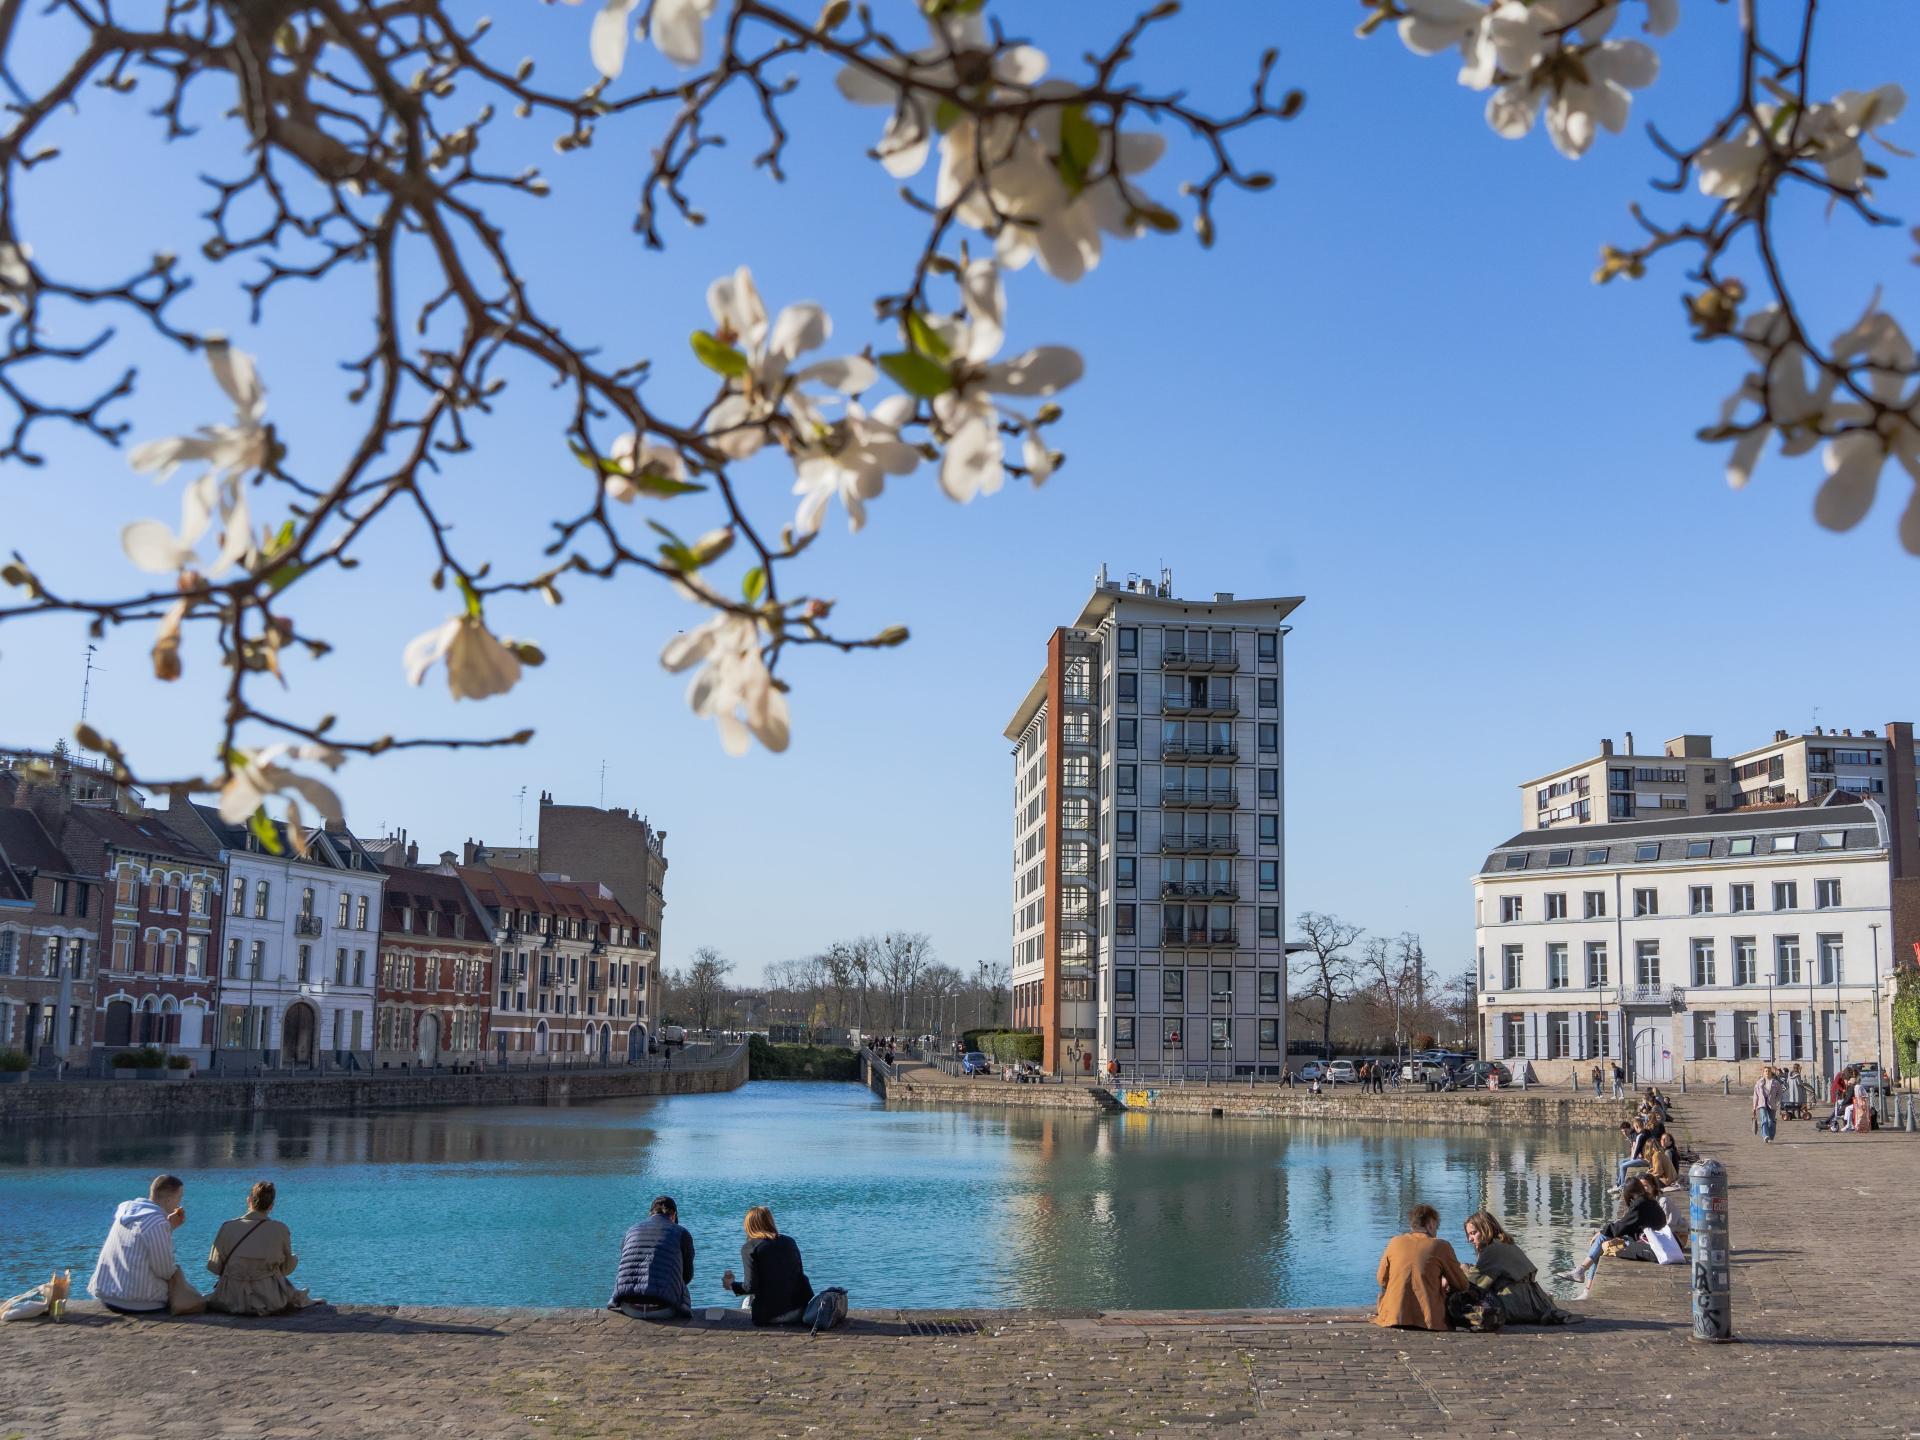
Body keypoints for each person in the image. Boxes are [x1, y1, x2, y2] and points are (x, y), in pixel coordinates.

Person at [206, 1181, 317, 1315]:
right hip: (270, 1300)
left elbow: (214, 1267)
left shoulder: (227, 1227)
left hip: (230, 1299)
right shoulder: (280, 1229)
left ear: (248, 1201)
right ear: (271, 1206)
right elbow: (286, 1270)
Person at [88, 1174, 192, 1315]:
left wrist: (169, 1228)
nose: (180, 1203)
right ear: (169, 1199)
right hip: (139, 1302)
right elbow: (165, 1271)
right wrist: (167, 1228)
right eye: (179, 1197)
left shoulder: (126, 1209)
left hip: (107, 1296)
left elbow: (141, 1241)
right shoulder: (157, 1223)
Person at [1461, 1211, 1579, 1325]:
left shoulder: (1492, 1250)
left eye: (1473, 1233)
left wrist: (1462, 1270)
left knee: (1464, 1311)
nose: (1470, 1239)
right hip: (1535, 1301)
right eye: (1469, 1234)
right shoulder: (1506, 1244)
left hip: (1515, 1304)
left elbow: (1472, 1283)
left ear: (1486, 1229)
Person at [1373, 1203, 1474, 1331]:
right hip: (1430, 1320)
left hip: (1393, 1318)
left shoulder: (1394, 1242)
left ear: (1412, 1225)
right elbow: (1462, 1285)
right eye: (1437, 1227)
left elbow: (1381, 1279)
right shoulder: (1441, 1246)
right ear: (1431, 1224)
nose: (1436, 1232)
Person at [720, 1206, 813, 1326]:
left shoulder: (750, 1248)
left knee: (747, 1301)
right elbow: (798, 1276)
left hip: (771, 1316)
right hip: (800, 1311)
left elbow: (750, 1287)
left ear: (749, 1226)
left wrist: (731, 1285)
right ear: (770, 1222)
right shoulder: (790, 1241)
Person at [609, 1195, 696, 1319]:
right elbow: (687, 1275)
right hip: (664, 1309)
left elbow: (624, 1264)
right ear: (674, 1215)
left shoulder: (631, 1231)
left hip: (629, 1307)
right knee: (679, 1285)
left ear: (650, 1213)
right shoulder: (682, 1233)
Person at [1570, 1177, 1666, 1285]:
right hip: (1655, 1241)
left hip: (1649, 1246)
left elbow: (1620, 1228)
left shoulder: (1640, 1204)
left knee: (1602, 1239)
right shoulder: (1649, 1201)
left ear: (1629, 1192)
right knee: (1603, 1240)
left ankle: (1582, 1272)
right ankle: (1583, 1276)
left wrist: (1601, 1232)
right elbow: (1627, 1224)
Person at [1752, 1067, 1781, 1143]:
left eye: (1769, 1071)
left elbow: (1779, 1094)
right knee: (1764, 1120)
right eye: (1766, 1071)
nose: (1767, 1072)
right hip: (1762, 1104)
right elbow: (1755, 1095)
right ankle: (1765, 1136)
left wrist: (1776, 1102)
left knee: (1771, 1121)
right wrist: (1754, 1106)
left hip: (1772, 1103)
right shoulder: (1759, 1083)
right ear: (1763, 1073)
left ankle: (1771, 1136)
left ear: (1771, 1073)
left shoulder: (1775, 1083)